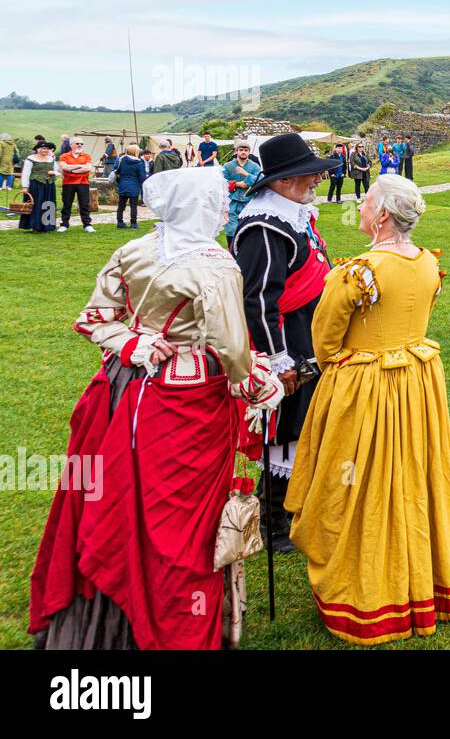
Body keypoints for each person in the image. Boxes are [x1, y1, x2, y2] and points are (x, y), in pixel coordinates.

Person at [28, 167, 283, 649]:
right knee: (179, 515)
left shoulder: (135, 250)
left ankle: (106, 616)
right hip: (188, 402)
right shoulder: (215, 264)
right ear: (203, 208)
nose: (224, 209)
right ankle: (171, 617)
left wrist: (133, 344)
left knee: (122, 497)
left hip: (123, 390)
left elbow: (94, 319)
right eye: (218, 202)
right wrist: (260, 386)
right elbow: (232, 350)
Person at [285, 173, 450, 645]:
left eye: (365, 202)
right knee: (413, 479)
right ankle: (420, 583)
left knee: (358, 484)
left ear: (382, 214)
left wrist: (341, 370)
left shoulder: (356, 272)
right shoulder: (428, 263)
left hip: (367, 388)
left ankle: (366, 590)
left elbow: (325, 343)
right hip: (419, 383)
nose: (360, 209)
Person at [231, 133, 336, 552]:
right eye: (307, 174)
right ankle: (274, 519)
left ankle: (296, 505)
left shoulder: (293, 215)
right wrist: (278, 358)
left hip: (306, 336)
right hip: (286, 343)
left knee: (303, 424)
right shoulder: (264, 226)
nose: (316, 179)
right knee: (284, 428)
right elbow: (258, 300)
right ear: (283, 180)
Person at [222, 141, 263, 242]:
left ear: (249, 152)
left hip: (249, 202)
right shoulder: (228, 166)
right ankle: (231, 252)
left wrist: (246, 174)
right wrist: (236, 184)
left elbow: (260, 180)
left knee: (247, 229)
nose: (243, 152)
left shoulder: (255, 167)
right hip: (231, 202)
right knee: (231, 230)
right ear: (236, 151)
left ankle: (243, 252)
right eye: (241, 150)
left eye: (246, 150)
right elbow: (222, 182)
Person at [18, 140, 59, 232]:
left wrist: (53, 172)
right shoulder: (31, 158)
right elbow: (26, 173)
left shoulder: (51, 158)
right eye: (44, 148)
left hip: (49, 184)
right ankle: (35, 226)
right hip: (36, 185)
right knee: (37, 204)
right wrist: (25, 186)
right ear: (38, 149)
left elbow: (57, 170)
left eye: (48, 149)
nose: (46, 150)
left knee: (49, 204)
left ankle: (48, 225)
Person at [57, 137, 95, 232]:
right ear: (71, 145)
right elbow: (64, 167)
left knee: (84, 204)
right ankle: (64, 224)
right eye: (77, 143)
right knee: (67, 204)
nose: (80, 145)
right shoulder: (64, 156)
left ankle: (87, 225)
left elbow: (88, 169)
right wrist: (80, 166)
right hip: (68, 183)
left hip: (83, 183)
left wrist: (71, 170)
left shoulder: (86, 156)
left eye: (81, 144)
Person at [114, 143, 148, 229]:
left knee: (121, 205)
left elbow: (116, 171)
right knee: (133, 206)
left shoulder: (121, 160)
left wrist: (119, 181)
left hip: (122, 184)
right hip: (134, 185)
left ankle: (120, 222)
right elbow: (142, 177)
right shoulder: (139, 162)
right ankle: (133, 223)